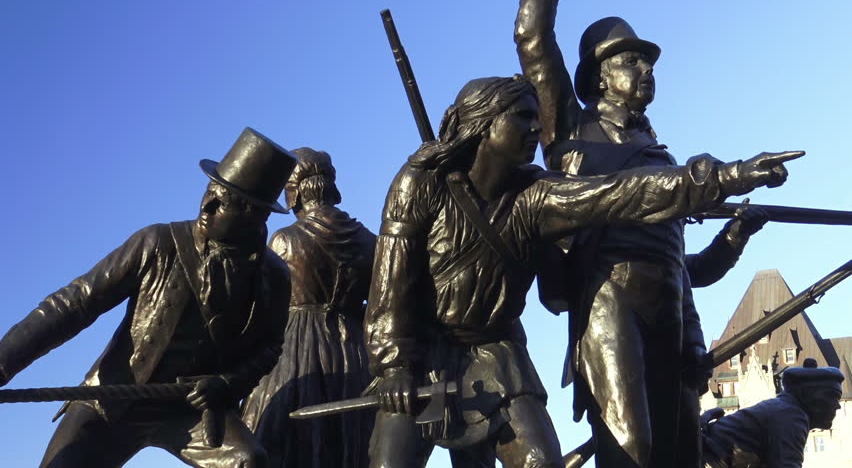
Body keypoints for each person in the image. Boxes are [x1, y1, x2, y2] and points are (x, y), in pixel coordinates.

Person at [364, 74, 800, 468]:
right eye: (523, 117)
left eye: (537, 117)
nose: (538, 128)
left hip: (495, 354)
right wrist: (394, 367)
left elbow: (621, 193)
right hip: (421, 353)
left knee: (541, 462)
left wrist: (726, 176)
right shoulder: (419, 182)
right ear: (483, 122)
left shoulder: (535, 194)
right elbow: (390, 288)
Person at [515, 0, 771, 465]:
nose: (646, 69)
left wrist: (734, 238)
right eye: (631, 61)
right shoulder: (571, 128)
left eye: (647, 63)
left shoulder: (661, 158)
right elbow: (532, 36)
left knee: (680, 450)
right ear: (599, 76)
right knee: (629, 445)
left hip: (667, 306)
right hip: (606, 296)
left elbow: (683, 269)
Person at [0, 128, 296, 468]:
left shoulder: (274, 275)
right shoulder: (155, 243)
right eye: (209, 192)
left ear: (254, 215)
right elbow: (72, 305)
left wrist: (228, 384)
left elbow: (271, 346)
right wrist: (3, 364)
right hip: (114, 398)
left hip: (193, 412)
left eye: (223, 201)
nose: (207, 205)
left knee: (249, 460)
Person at [241, 147, 376, 467]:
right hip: (355, 353)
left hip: (294, 351)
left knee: (269, 434)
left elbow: (258, 310)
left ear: (295, 194)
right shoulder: (371, 242)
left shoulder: (283, 241)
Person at [702, 359, 844, 468]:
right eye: (833, 396)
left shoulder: (785, 408)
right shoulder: (792, 416)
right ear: (810, 395)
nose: (837, 406)